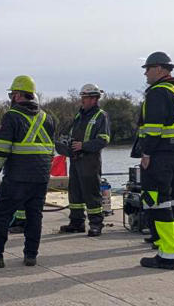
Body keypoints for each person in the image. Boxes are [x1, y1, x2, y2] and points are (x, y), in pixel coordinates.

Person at [0, 75, 56, 268]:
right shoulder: (48, 118)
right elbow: (51, 150)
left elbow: (2, 147)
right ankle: (30, 256)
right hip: (41, 176)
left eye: (12, 94)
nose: (11, 97)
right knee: (35, 215)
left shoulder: (11, 116)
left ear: (18, 95)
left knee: (2, 214)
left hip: (18, 176)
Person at [134, 51, 174, 270]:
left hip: (159, 156)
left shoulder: (157, 93)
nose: (146, 75)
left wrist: (146, 154)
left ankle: (167, 255)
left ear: (159, 69)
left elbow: (153, 128)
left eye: (148, 69)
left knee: (158, 203)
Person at [59, 83, 111, 237]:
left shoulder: (101, 116)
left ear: (94, 99)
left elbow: (104, 139)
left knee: (91, 193)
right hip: (75, 159)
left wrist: (84, 145)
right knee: (75, 192)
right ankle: (76, 222)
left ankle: (96, 224)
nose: (82, 100)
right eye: (82, 97)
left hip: (90, 160)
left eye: (85, 97)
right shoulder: (79, 115)